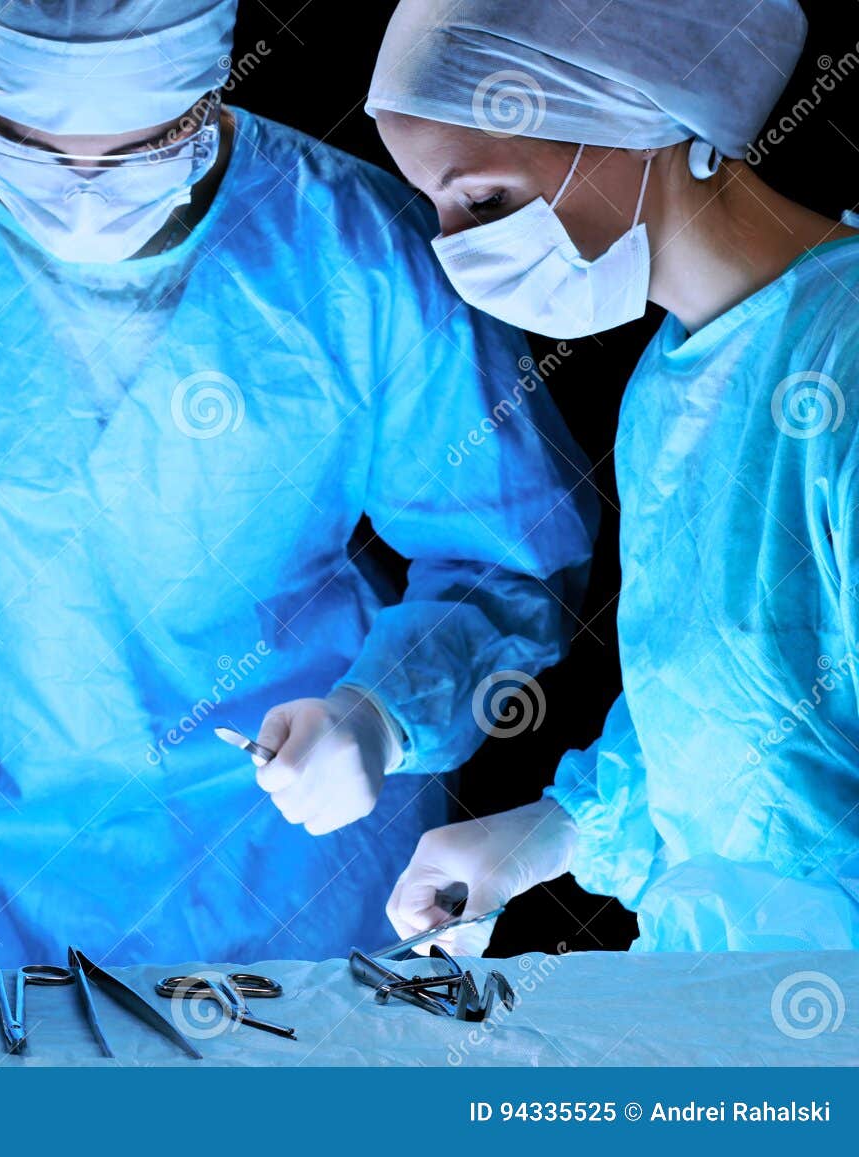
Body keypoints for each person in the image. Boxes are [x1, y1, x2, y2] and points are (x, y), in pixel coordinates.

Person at [0, 0, 598, 967]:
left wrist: (386, 712)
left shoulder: (355, 248)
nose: (86, 191)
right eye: (24, 144)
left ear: (210, 93)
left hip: (306, 856)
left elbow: (508, 556)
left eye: (148, 146)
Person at [368, 0, 859, 953]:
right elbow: (726, 699)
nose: (459, 250)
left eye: (484, 200)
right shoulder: (665, 391)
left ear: (633, 114)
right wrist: (561, 829)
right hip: (740, 1010)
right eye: (438, 210)